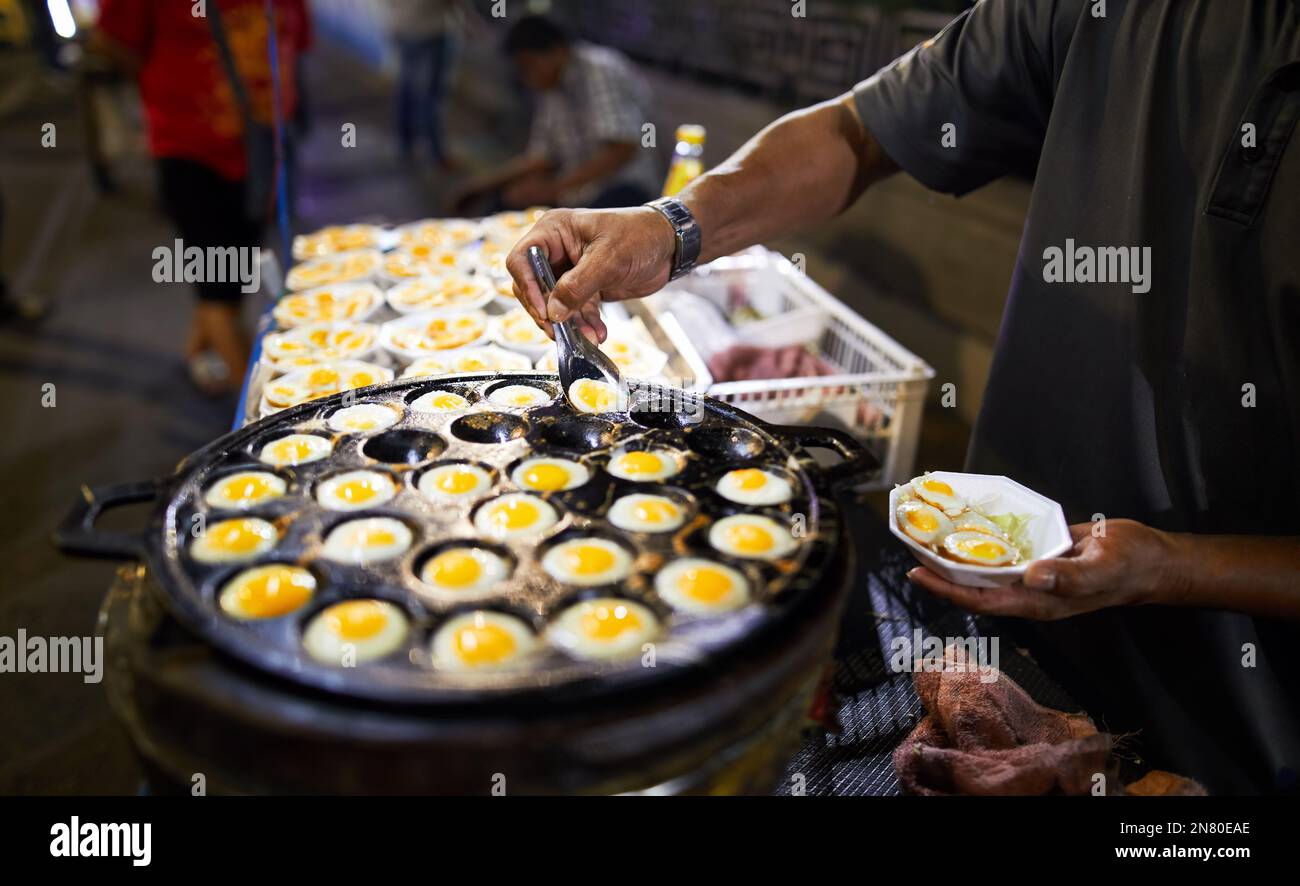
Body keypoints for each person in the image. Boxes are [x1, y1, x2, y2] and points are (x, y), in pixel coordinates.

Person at [507, 0, 1300, 794]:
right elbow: (856, 130)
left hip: (1243, 724)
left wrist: (1171, 566)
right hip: (999, 599)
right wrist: (670, 228)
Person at [94, 0, 312, 395]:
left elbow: (297, 37)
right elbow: (112, 42)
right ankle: (259, 402)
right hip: (191, 151)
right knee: (216, 284)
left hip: (259, 150)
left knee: (232, 272)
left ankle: (197, 353)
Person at [451, 15, 659, 213]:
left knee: (581, 233)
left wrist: (552, 188)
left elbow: (622, 149)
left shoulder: (599, 69)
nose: (527, 77)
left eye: (529, 66)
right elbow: (542, 157)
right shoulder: (551, 87)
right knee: (504, 204)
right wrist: (482, 187)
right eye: (522, 70)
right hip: (576, 189)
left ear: (557, 50)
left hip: (623, 188)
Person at [381, 0, 471, 169]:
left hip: (400, 26)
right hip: (432, 30)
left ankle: (405, 145)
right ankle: (437, 153)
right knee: (432, 94)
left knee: (407, 88)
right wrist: (469, 19)